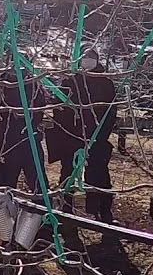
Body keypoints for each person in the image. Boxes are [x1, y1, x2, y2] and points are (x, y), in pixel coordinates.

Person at [47, 48, 118, 224]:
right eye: (85, 57)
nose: (87, 60)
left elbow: (110, 113)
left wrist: (100, 135)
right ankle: (66, 207)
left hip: (97, 137)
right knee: (68, 172)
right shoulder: (70, 81)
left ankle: (102, 211)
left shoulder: (105, 83)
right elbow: (59, 108)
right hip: (72, 137)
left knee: (99, 174)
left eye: (91, 57)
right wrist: (70, 130)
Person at [0, 62, 49, 198]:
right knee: (5, 184)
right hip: (8, 141)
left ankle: (42, 215)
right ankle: (3, 216)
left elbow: (39, 110)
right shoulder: (3, 83)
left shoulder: (34, 85)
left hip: (30, 139)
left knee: (38, 182)